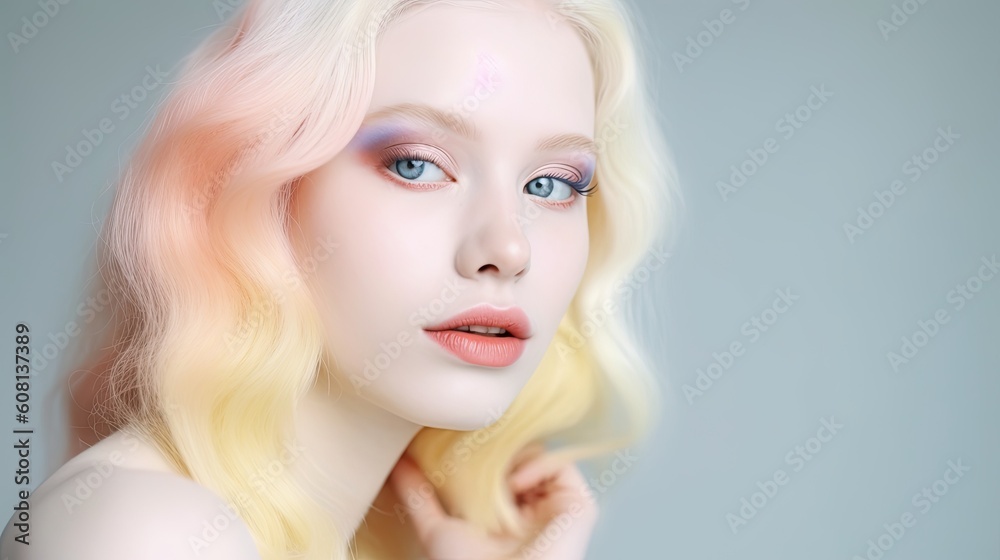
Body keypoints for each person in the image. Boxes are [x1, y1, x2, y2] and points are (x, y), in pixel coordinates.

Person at [1, 0, 677, 558]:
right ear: (265, 188)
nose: (508, 247)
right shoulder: (146, 532)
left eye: (552, 184)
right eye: (416, 165)